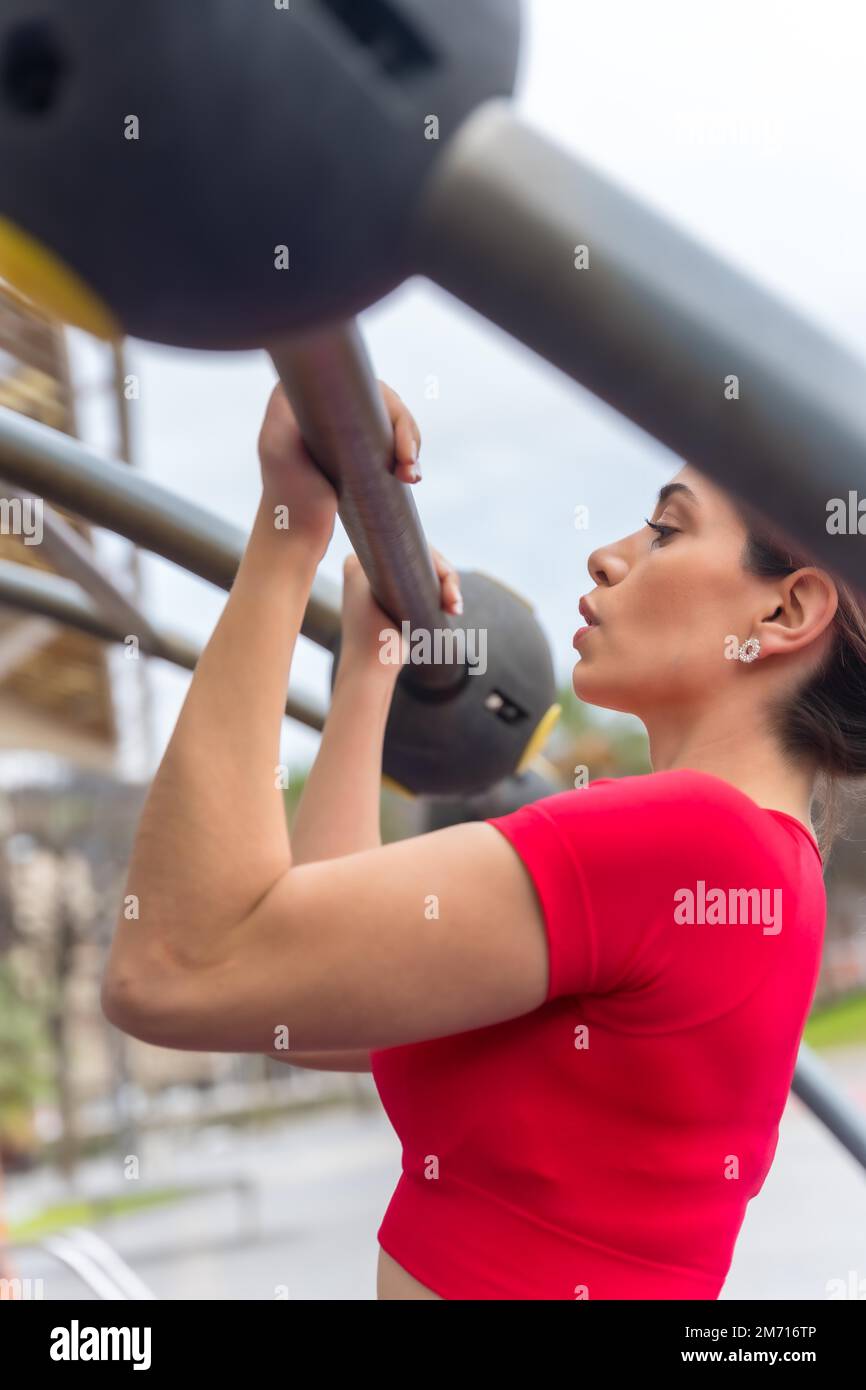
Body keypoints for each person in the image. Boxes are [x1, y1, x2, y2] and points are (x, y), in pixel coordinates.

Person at [101, 380, 865, 1300]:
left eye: (664, 531)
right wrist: (367, 677)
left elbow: (175, 967)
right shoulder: (762, 864)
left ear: (785, 614)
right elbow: (307, 999)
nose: (607, 555)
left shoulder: (693, 842)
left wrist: (289, 532)